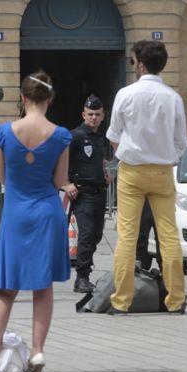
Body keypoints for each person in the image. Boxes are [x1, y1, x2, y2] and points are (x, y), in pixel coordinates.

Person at [0, 71, 71, 372]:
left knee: (5, 288)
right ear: (50, 100)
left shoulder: (4, 132)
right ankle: (38, 352)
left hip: (16, 213)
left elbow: (2, 177)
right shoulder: (60, 135)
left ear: (23, 98)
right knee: (42, 287)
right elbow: (59, 180)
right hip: (46, 211)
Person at [106, 40, 187, 315]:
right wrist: (165, 155)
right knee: (169, 236)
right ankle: (176, 299)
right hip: (163, 171)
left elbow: (114, 135)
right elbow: (180, 143)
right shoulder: (172, 97)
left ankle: (121, 300)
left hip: (132, 171)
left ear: (140, 65)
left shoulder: (126, 94)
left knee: (127, 236)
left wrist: (127, 154)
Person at [63, 94, 109, 293]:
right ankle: (82, 277)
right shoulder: (76, 136)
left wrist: (105, 173)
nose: (93, 118)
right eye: (90, 114)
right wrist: (66, 184)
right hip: (83, 193)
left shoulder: (100, 138)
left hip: (99, 192)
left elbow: (97, 161)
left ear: (103, 116)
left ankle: (83, 275)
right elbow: (59, 160)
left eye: (97, 114)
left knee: (96, 235)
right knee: (87, 234)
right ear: (83, 114)